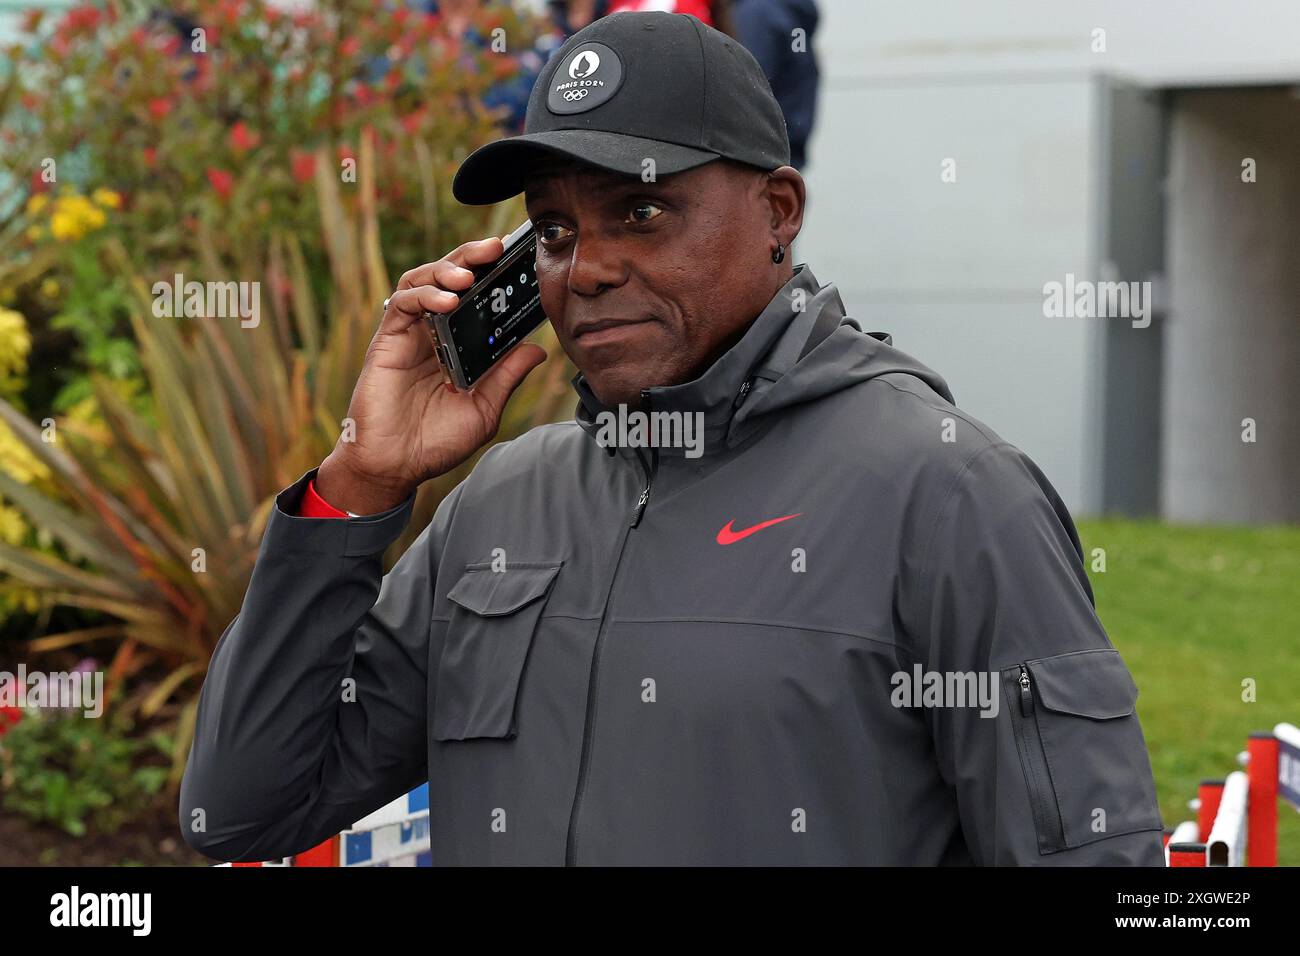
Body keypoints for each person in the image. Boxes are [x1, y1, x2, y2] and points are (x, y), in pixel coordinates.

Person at [180, 11, 1165, 865]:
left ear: (777, 213)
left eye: (640, 211)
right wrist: (359, 483)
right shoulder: (501, 500)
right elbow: (243, 806)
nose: (587, 268)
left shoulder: (948, 491)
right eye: (555, 231)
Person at [732, 0, 819, 169]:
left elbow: (745, 91)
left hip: (758, 160)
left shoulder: (758, 14)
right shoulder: (788, 15)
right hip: (783, 153)